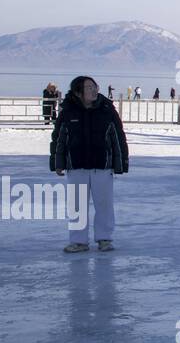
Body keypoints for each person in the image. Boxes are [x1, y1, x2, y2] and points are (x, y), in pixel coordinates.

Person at [49, 75, 128, 252]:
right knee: (77, 205)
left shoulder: (107, 109)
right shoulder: (68, 111)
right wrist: (58, 162)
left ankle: (104, 239)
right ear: (78, 92)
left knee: (104, 204)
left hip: (102, 165)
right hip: (76, 166)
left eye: (95, 86)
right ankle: (79, 241)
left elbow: (118, 137)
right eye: (89, 87)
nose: (94, 90)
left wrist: (121, 161)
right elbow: (59, 139)